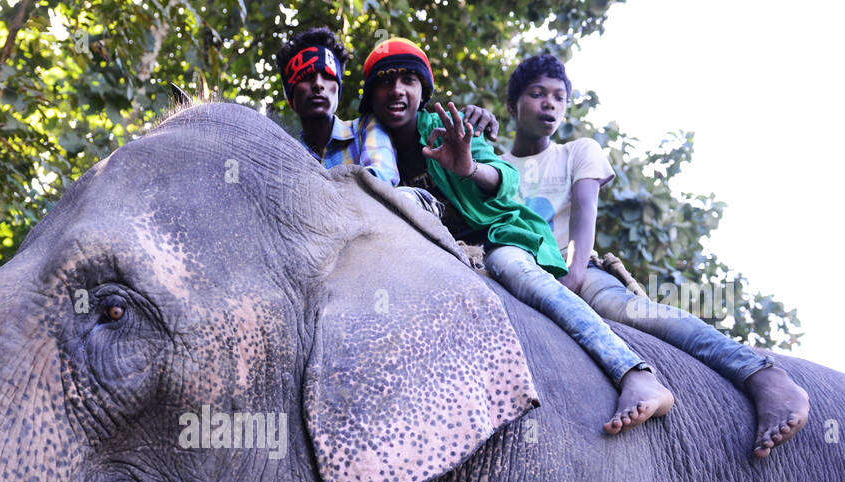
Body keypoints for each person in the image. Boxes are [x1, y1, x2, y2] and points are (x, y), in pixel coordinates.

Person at [357, 38, 674, 436]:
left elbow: (505, 179)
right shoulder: (364, 144)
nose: (397, 89)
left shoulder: (444, 127)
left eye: (408, 79)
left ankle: (634, 372)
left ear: (423, 90)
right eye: (385, 81)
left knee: (521, 275)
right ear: (371, 94)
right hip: (434, 253)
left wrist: (469, 165)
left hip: (492, 239)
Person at [500, 53, 809, 457]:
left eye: (559, 97)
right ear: (512, 105)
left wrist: (575, 271)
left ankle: (762, 376)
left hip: (575, 268)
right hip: (522, 274)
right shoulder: (497, 165)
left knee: (629, 310)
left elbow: (583, 216)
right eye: (537, 94)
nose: (549, 104)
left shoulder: (578, 151)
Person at [274, 27, 397, 182]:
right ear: (290, 96)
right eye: (306, 77)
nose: (318, 84)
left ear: (338, 88)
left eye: (327, 76)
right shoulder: (285, 155)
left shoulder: (366, 128)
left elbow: (379, 185)